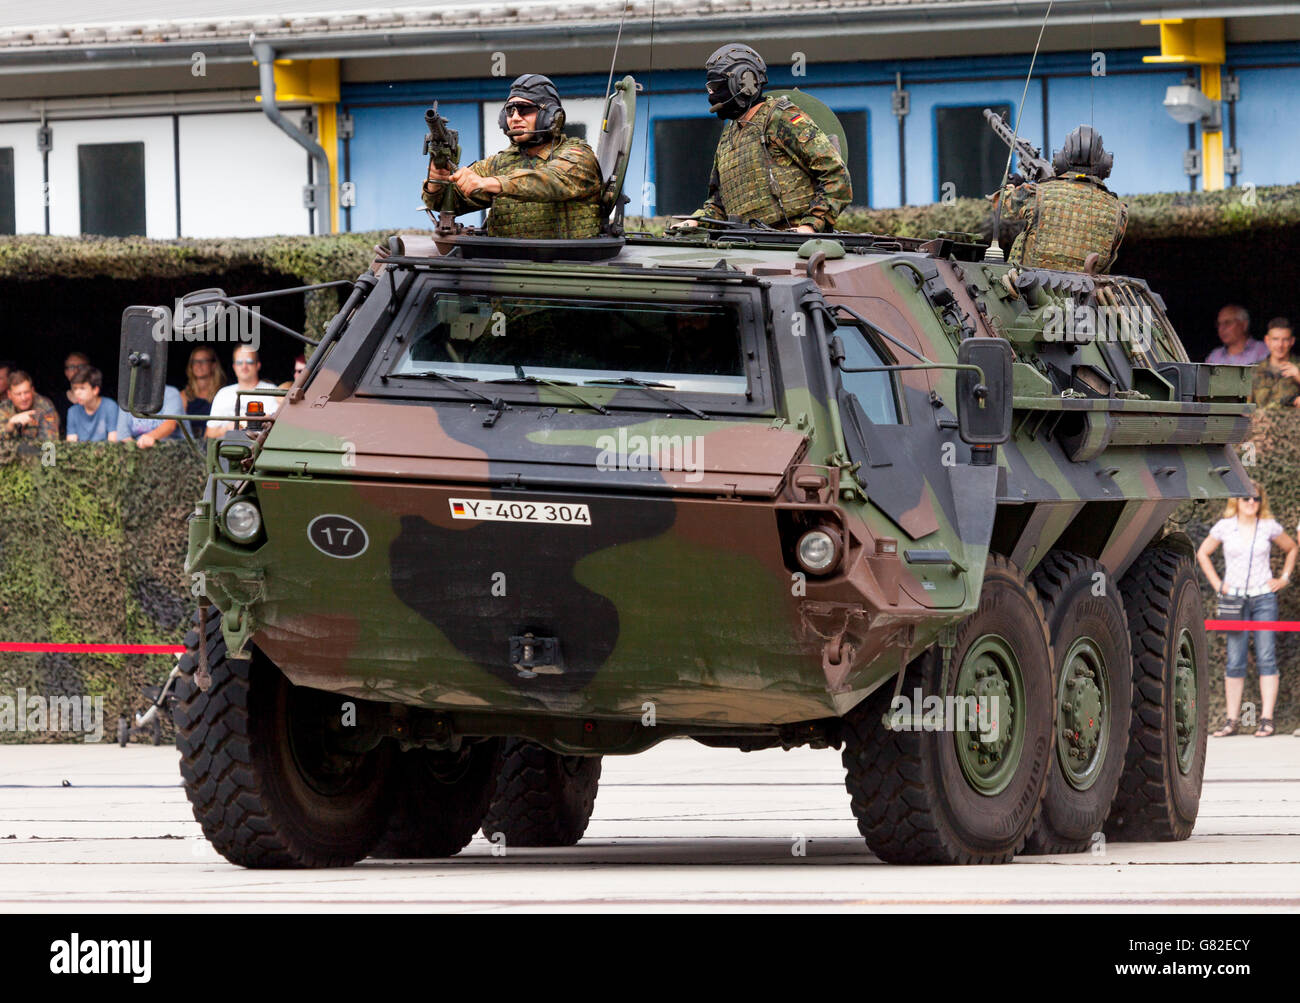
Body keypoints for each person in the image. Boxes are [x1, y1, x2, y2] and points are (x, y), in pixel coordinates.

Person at [674, 43, 851, 234]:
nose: (712, 96)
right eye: (710, 89)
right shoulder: (728, 136)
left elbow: (835, 175)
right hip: (747, 247)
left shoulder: (781, 118)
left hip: (794, 248)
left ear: (744, 83)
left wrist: (810, 226)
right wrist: (696, 222)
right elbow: (719, 205)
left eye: (717, 87)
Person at [422, 74, 603, 239]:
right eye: (510, 110)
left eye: (524, 110)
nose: (515, 117)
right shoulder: (498, 164)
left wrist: (490, 183)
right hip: (509, 265)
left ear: (550, 116)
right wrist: (437, 183)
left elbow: (552, 180)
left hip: (566, 267)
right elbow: (445, 203)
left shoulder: (578, 155)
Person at [1197, 485, 1296, 738]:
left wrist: (1283, 578)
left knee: (1266, 656)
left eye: (1256, 498)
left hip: (1263, 598)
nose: (1251, 501)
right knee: (1235, 659)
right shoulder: (1224, 526)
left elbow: (1291, 548)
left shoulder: (1268, 525)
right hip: (1234, 600)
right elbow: (1203, 553)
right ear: (1236, 500)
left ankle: (1266, 719)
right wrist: (1218, 585)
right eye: (1246, 497)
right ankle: (1231, 720)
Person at [988, 125, 1127, 272]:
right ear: (1105, 164)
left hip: (1028, 290)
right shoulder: (1120, 212)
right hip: (1085, 292)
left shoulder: (1036, 194)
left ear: (1061, 160)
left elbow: (999, 203)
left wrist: (1014, 185)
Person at [205, 346, 279, 438]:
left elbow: (278, 428)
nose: (244, 366)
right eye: (239, 362)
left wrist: (242, 423)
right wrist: (228, 428)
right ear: (234, 367)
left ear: (258, 365)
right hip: (227, 449)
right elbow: (209, 435)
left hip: (260, 450)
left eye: (249, 362)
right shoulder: (223, 394)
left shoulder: (272, 391)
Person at [1249, 318, 1300, 407]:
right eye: (1275, 339)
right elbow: (1244, 408)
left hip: (1292, 420)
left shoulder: (1297, 367)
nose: (1280, 345)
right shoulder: (1253, 370)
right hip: (1259, 420)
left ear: (1292, 341)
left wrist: (1299, 376)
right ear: (1267, 340)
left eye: (1285, 339)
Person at [64, 366, 121, 442]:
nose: (77, 393)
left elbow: (113, 442)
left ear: (95, 390)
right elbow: (71, 444)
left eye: (82, 388)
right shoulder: (72, 411)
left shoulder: (110, 406)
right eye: (75, 388)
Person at [0, 371, 60, 442]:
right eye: (18, 394)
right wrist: (10, 425)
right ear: (9, 395)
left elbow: (50, 442)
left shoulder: (45, 407)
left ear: (33, 390)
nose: (23, 398)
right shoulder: (4, 407)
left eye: (26, 392)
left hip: (36, 452)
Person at [180, 347, 226, 438]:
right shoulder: (184, 395)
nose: (198, 365)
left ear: (213, 365)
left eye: (204, 361)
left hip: (214, 444)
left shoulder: (223, 394)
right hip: (190, 445)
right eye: (195, 361)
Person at [117, 384, 183, 447]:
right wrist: (137, 452)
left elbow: (170, 425)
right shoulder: (127, 397)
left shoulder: (171, 393)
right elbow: (123, 435)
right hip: (140, 452)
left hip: (173, 449)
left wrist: (151, 436)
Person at [55, 351, 91, 435]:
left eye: (81, 366)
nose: (76, 370)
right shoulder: (57, 401)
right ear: (66, 373)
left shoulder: (100, 399)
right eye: (71, 367)